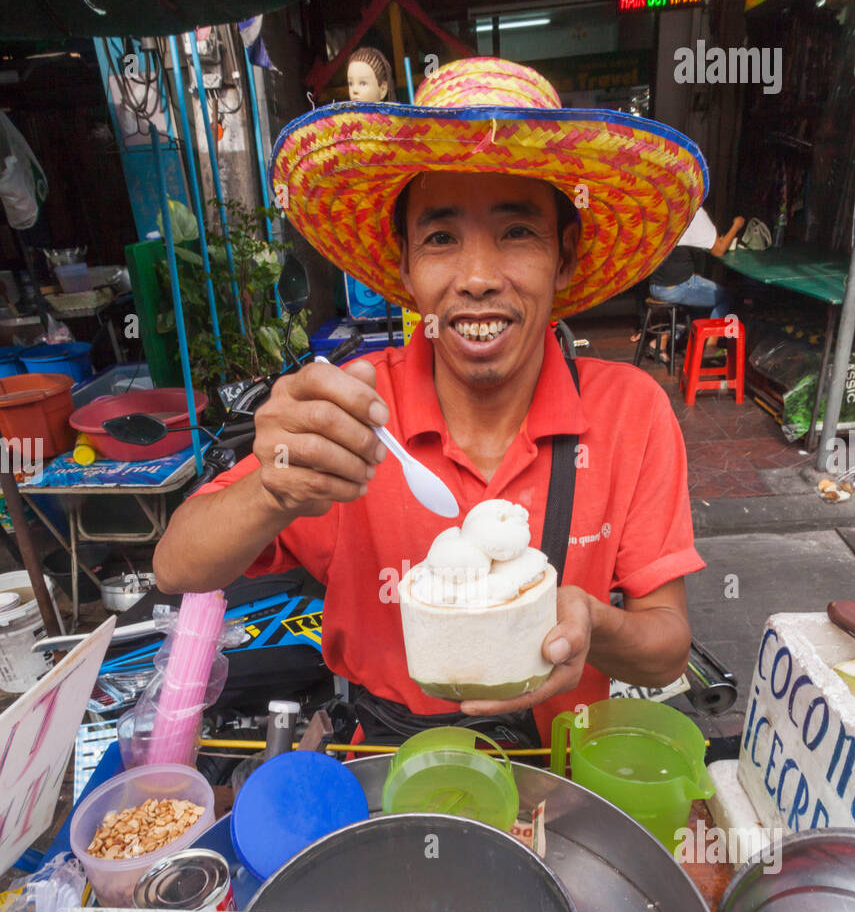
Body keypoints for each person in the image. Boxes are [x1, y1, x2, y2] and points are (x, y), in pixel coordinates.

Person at [153, 57, 708, 749]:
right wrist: (275, 485)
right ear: (406, 264)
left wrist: (594, 625)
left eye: (517, 232)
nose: (477, 279)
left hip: (561, 778)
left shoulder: (631, 412)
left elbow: (667, 650)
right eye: (441, 238)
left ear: (564, 257)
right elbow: (176, 567)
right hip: (384, 758)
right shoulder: (352, 411)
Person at [636, 206, 745, 362]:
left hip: (656, 284)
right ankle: (710, 345)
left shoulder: (666, 212)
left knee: (698, 305)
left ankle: (659, 343)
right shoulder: (694, 214)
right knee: (726, 297)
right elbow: (719, 250)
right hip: (676, 287)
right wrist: (736, 225)